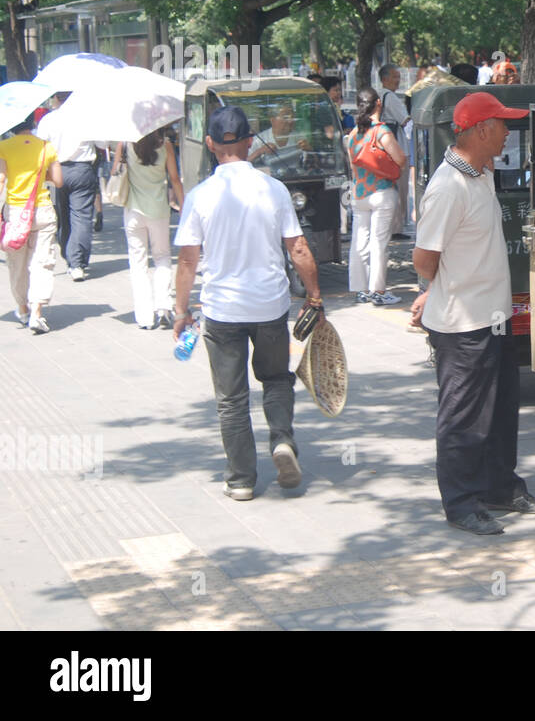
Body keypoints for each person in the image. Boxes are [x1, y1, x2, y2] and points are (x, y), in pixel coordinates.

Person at [413, 90, 535, 535]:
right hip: (462, 324)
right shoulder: (447, 188)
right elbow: (423, 259)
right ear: (481, 130)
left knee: (500, 409)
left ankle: (499, 486)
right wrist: (437, 290)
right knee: (463, 416)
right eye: (503, 124)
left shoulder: (480, 173)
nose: (509, 132)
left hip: (493, 316)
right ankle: (461, 502)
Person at [172, 106, 324, 501]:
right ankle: (282, 441)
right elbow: (299, 248)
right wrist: (314, 296)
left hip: (222, 311)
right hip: (270, 306)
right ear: (248, 141)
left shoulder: (200, 196)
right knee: (277, 379)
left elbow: (188, 261)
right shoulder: (273, 189)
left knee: (231, 399)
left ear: (210, 144)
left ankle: (241, 479)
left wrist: (181, 311)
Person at [113, 128, 186, 330]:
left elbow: (114, 173)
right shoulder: (165, 145)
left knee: (138, 262)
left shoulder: (126, 143)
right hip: (158, 210)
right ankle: (163, 307)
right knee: (162, 257)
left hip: (133, 211)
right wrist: (183, 206)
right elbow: (174, 178)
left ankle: (145, 317)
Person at [0, 112, 64, 333]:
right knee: (43, 262)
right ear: (32, 123)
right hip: (43, 210)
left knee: (17, 263)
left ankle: (22, 308)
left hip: (16, 213)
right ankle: (38, 311)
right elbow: (58, 181)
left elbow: (1, 179)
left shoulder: (4, 147)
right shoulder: (46, 146)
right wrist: (41, 175)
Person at [346, 86, 405, 306]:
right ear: (379, 103)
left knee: (359, 242)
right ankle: (379, 292)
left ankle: (361, 290)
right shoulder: (381, 131)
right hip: (382, 191)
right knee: (379, 243)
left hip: (359, 193)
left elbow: (353, 167)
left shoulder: (353, 135)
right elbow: (399, 159)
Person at [35, 94, 101, 281]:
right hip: (82, 169)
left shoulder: (49, 119)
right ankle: (77, 262)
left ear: (56, 98)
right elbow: (103, 144)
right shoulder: (87, 118)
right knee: (82, 216)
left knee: (62, 215)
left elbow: (40, 146)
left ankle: (68, 254)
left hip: (56, 170)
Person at [377, 64, 412, 238]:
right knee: (400, 188)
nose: (397, 80)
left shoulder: (378, 95)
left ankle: (389, 226)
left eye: (399, 77)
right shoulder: (390, 97)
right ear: (384, 79)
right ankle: (397, 228)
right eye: (394, 77)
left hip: (383, 149)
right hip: (397, 147)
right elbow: (405, 120)